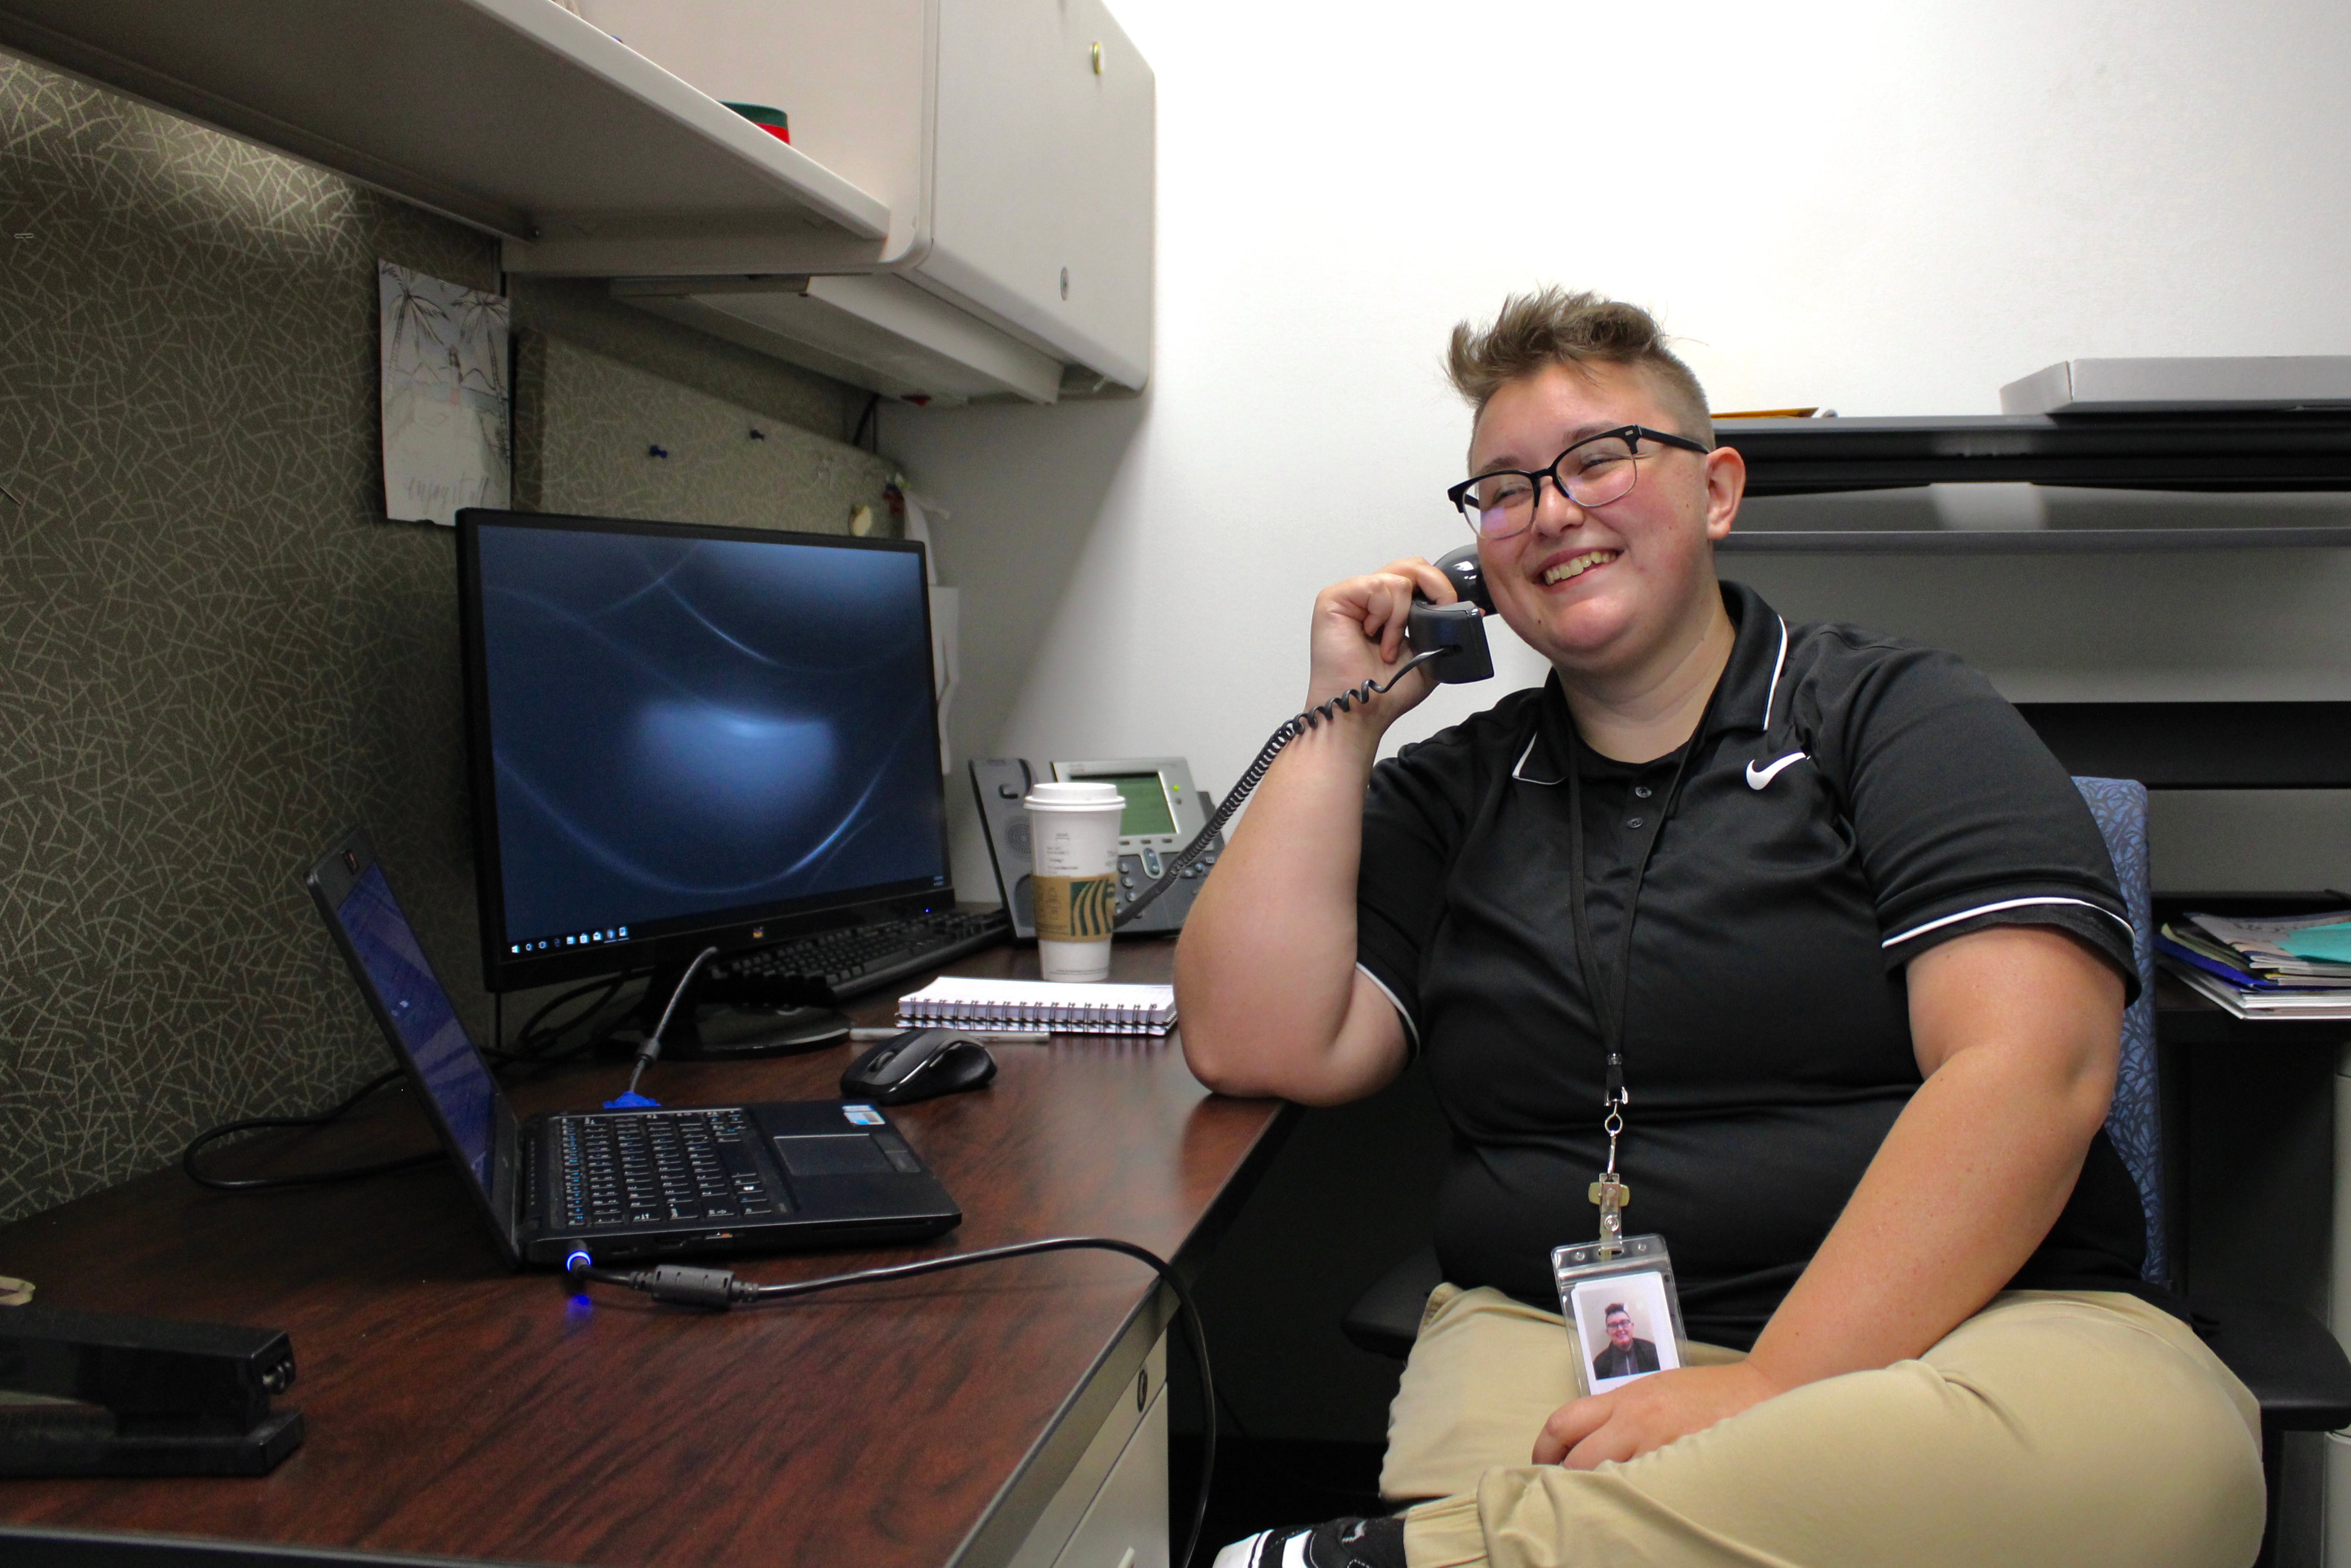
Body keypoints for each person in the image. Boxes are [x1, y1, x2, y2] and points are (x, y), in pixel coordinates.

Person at [1187, 289, 2264, 1568]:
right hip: (1554, 1330)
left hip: (1976, 1324)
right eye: (1504, 489)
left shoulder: (1898, 714)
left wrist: (1767, 1387)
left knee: (2166, 1463)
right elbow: (1258, 1040)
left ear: (1715, 491)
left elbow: (2035, 1067)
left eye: (1599, 458)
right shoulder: (1455, 789)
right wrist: (1340, 714)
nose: (1552, 510)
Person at [1588, 1304, 1658, 1382]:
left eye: (1624, 1323)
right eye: (1613, 1326)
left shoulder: (1651, 1351)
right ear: (1608, 1332)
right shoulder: (1600, 1363)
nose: (1620, 1329)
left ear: (1632, 1327)